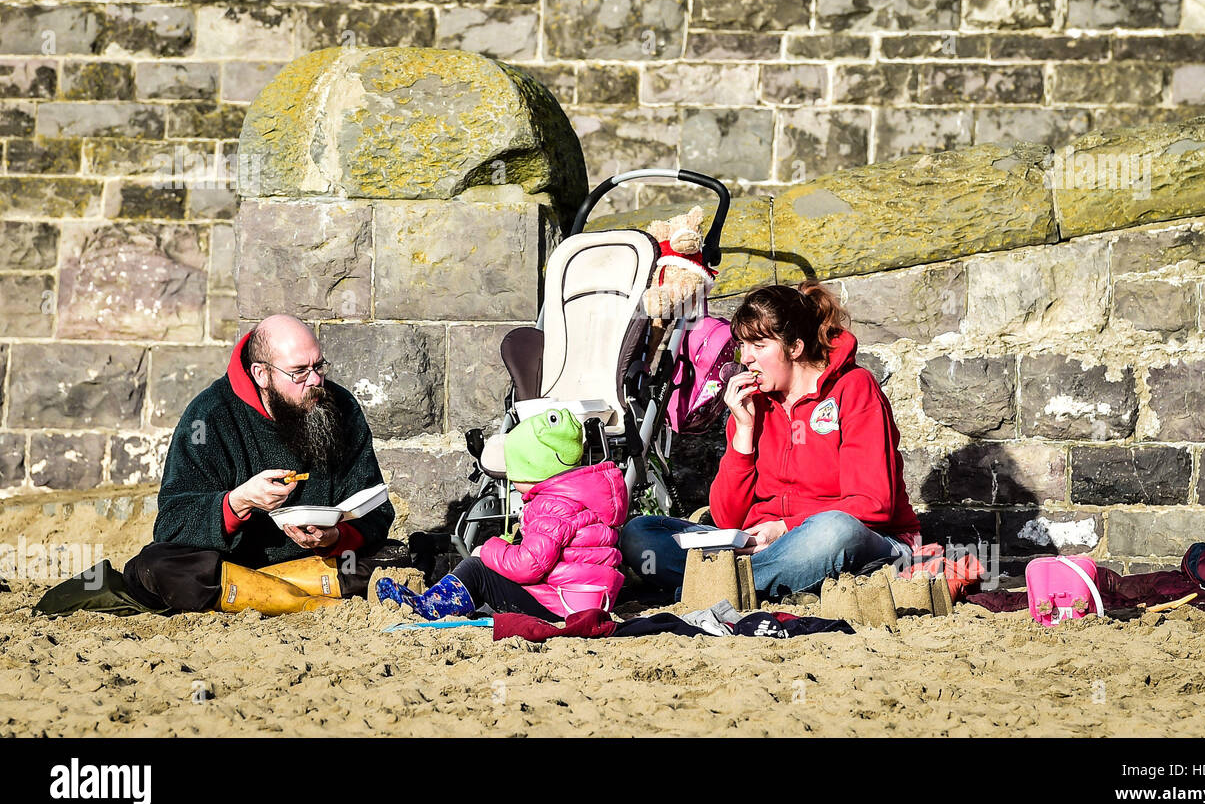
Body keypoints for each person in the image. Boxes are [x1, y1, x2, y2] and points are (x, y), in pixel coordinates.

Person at [37, 315, 401, 616]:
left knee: (407, 557)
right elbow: (172, 523)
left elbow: (375, 507)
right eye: (299, 372)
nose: (316, 382)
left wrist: (336, 536)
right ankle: (307, 605)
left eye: (318, 366)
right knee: (161, 565)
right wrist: (237, 503)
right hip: (227, 567)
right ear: (261, 374)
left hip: (314, 559)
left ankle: (279, 594)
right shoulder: (208, 417)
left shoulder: (340, 407)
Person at [620, 281, 921, 600]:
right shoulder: (754, 403)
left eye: (759, 345)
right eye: (742, 345)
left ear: (795, 347)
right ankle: (746, 580)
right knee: (640, 534)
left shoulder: (854, 388)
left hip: (862, 541)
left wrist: (785, 527)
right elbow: (726, 519)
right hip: (759, 547)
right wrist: (744, 431)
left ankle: (716, 586)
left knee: (835, 530)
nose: (746, 357)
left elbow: (873, 504)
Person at [377, 408, 628, 621]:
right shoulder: (578, 495)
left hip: (563, 606)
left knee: (477, 569)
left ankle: (429, 607)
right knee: (494, 572)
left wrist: (488, 550)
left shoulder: (551, 505)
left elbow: (527, 566)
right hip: (589, 598)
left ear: (530, 468)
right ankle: (449, 601)